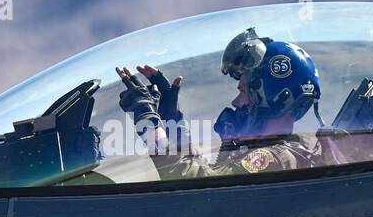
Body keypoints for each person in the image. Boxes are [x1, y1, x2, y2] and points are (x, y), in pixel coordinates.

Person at [115, 27, 323, 179]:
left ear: (273, 99)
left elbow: (198, 192)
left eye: (243, 91)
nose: (235, 102)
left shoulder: (274, 160)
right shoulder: (269, 151)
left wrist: (147, 120)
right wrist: (170, 119)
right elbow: (206, 175)